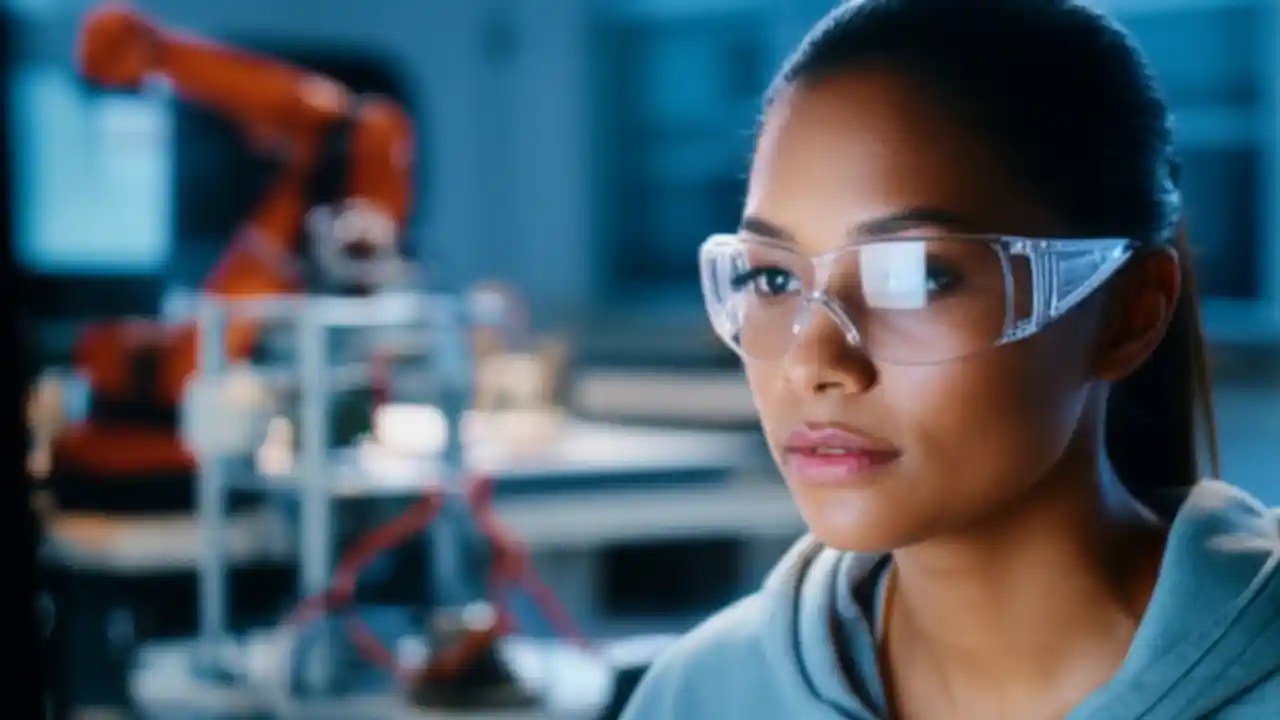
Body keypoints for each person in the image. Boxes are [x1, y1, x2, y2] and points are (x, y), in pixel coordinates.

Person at [621, 1, 1280, 718]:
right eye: (773, 278)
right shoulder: (696, 696)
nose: (812, 363)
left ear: (1130, 314)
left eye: (914, 278)